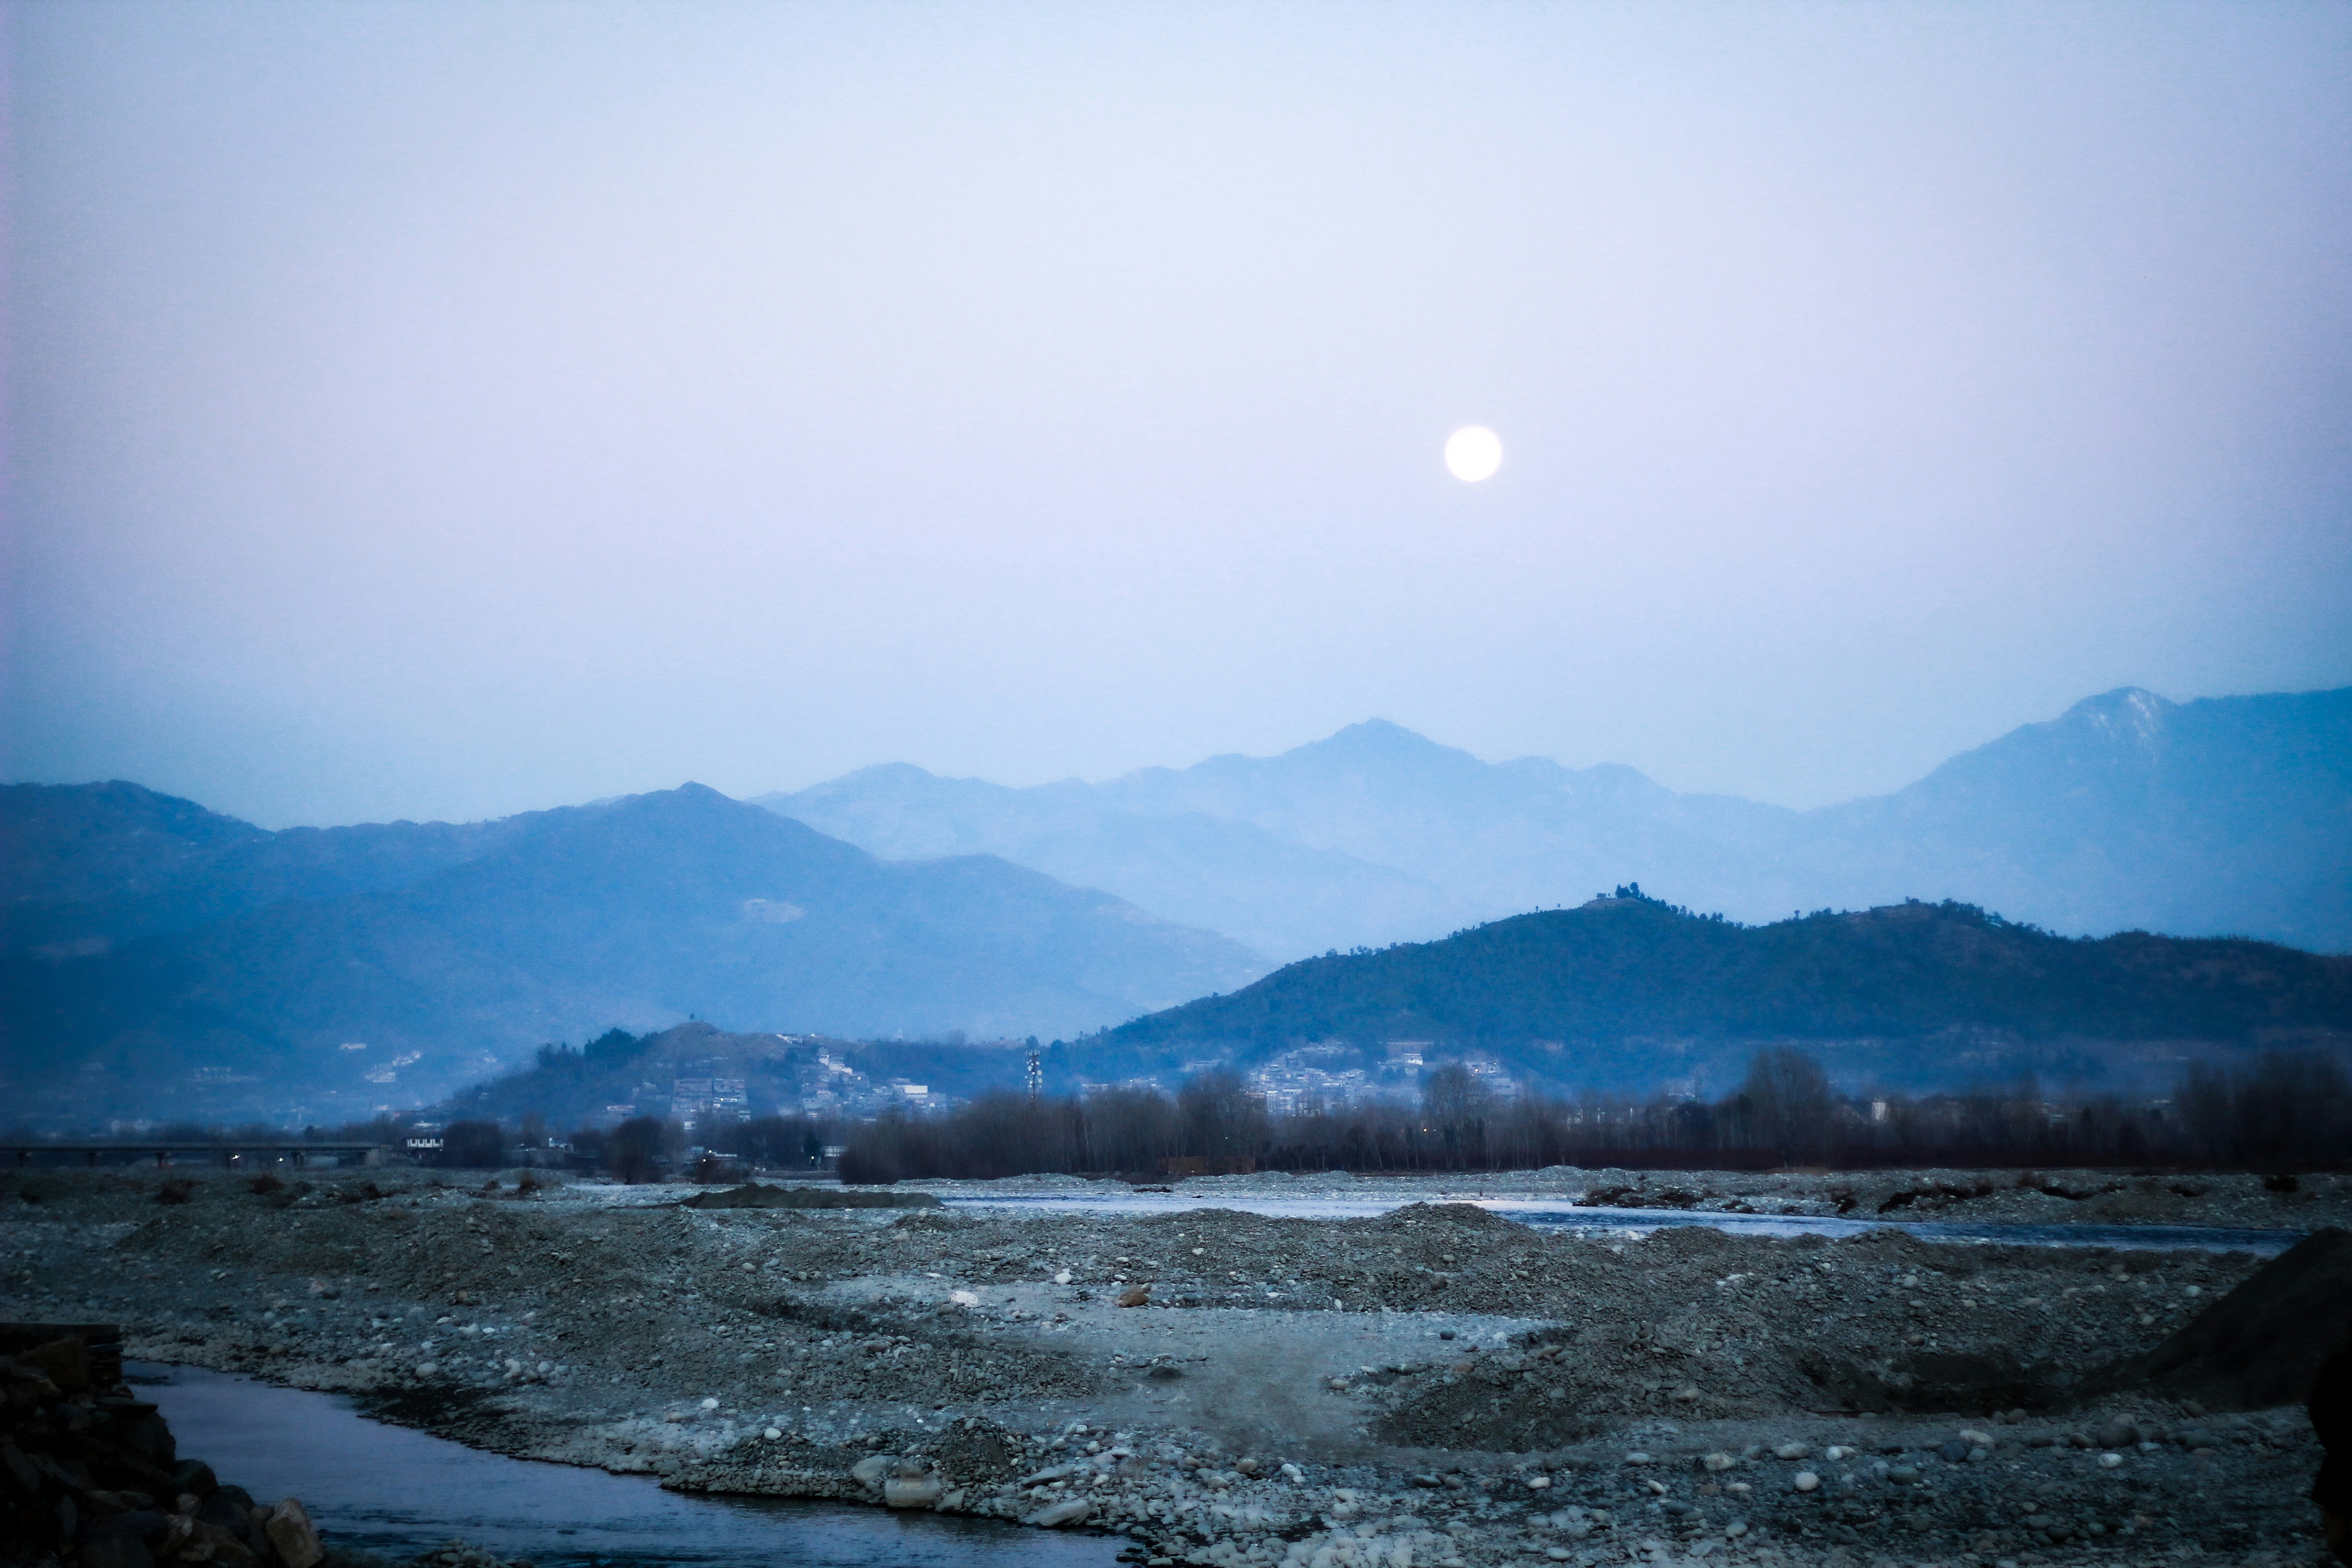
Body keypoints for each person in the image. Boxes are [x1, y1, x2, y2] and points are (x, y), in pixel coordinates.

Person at [2316, 1338, 2352, 1563]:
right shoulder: (2339, 1365)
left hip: (2341, 1459)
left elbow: (2317, 1410)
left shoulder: (2338, 1365)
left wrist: (2334, 1445)